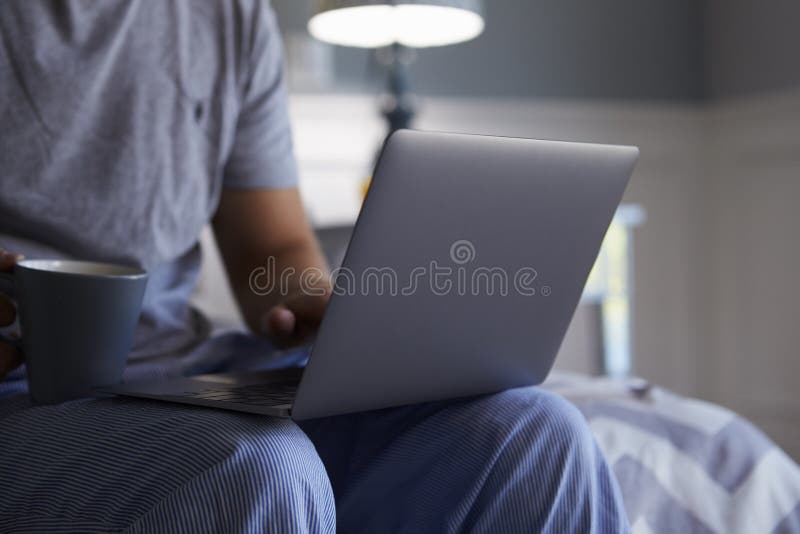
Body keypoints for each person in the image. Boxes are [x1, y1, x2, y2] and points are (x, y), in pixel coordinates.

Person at [0, 1, 630, 532]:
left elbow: (271, 250)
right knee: (258, 467)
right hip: (23, 396)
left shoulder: (228, 16)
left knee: (537, 433)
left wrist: (327, 309)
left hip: (183, 375)